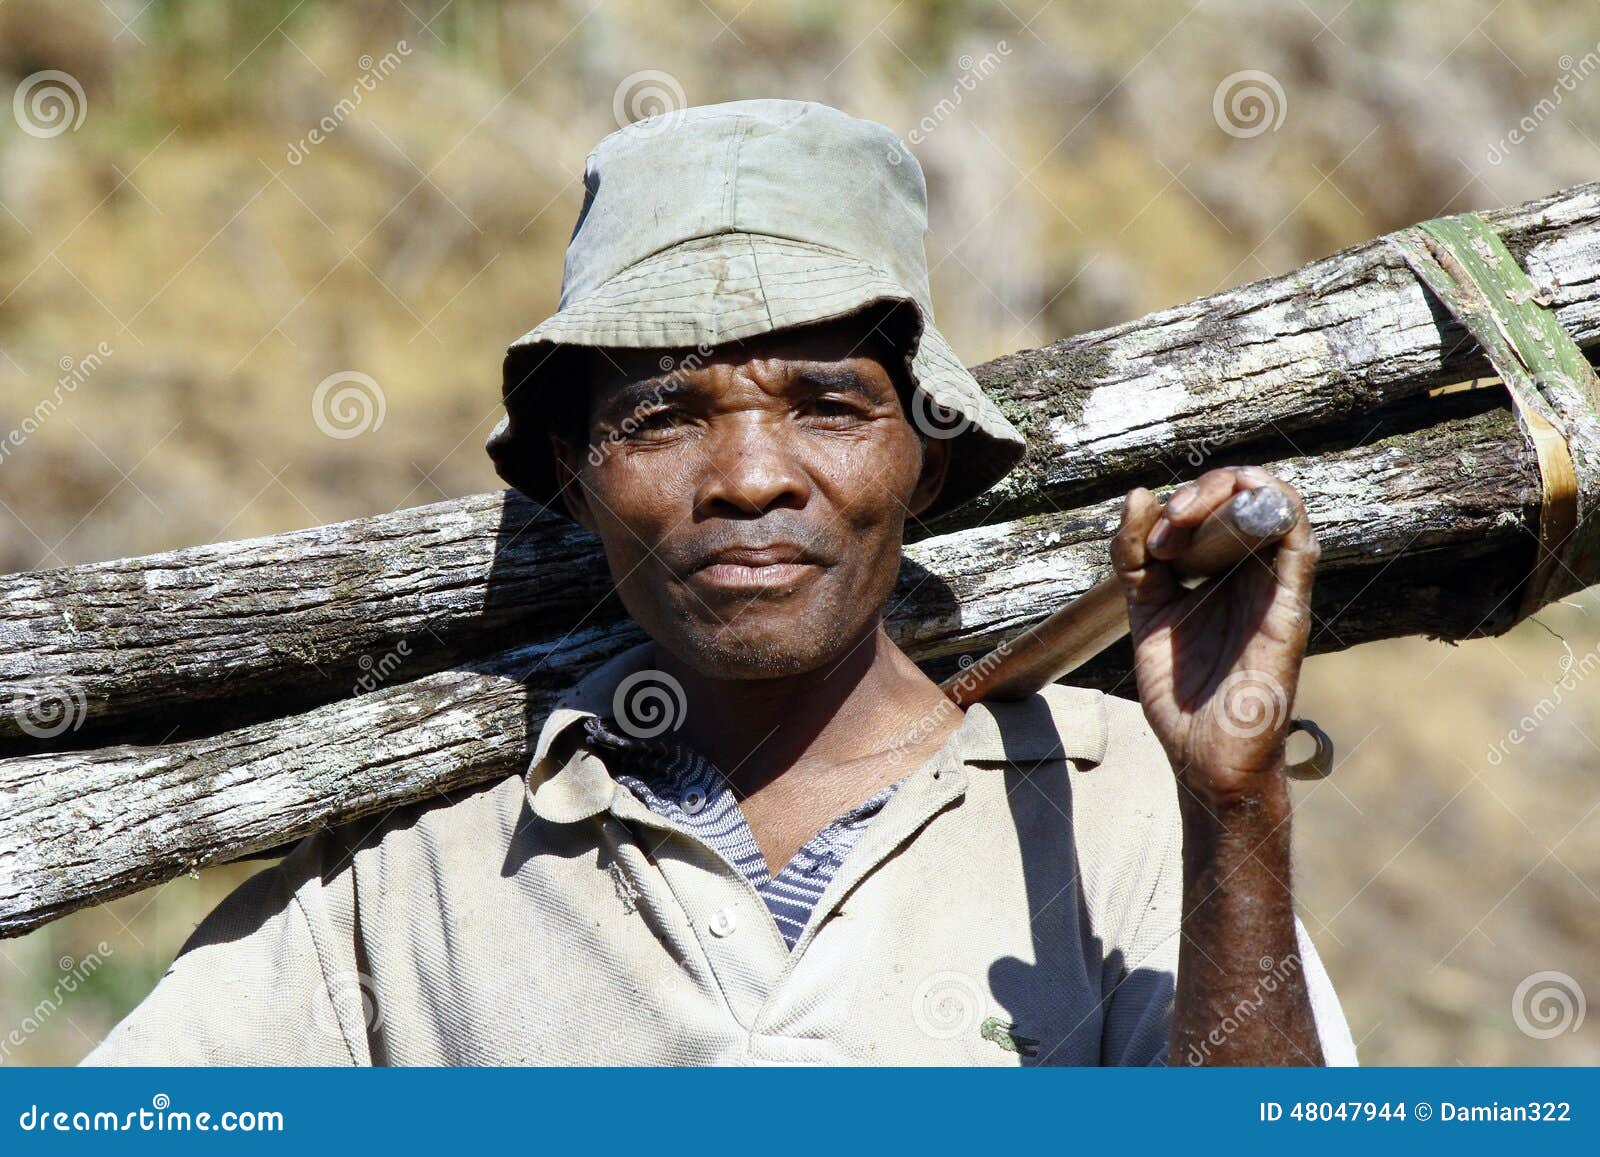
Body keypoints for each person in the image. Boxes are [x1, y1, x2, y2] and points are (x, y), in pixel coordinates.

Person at [83, 98, 1356, 1066]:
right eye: (660, 415)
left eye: (828, 404)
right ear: (577, 478)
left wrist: (1234, 806)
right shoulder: (407, 863)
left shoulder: (1129, 811)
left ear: (925, 453)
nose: (749, 476)